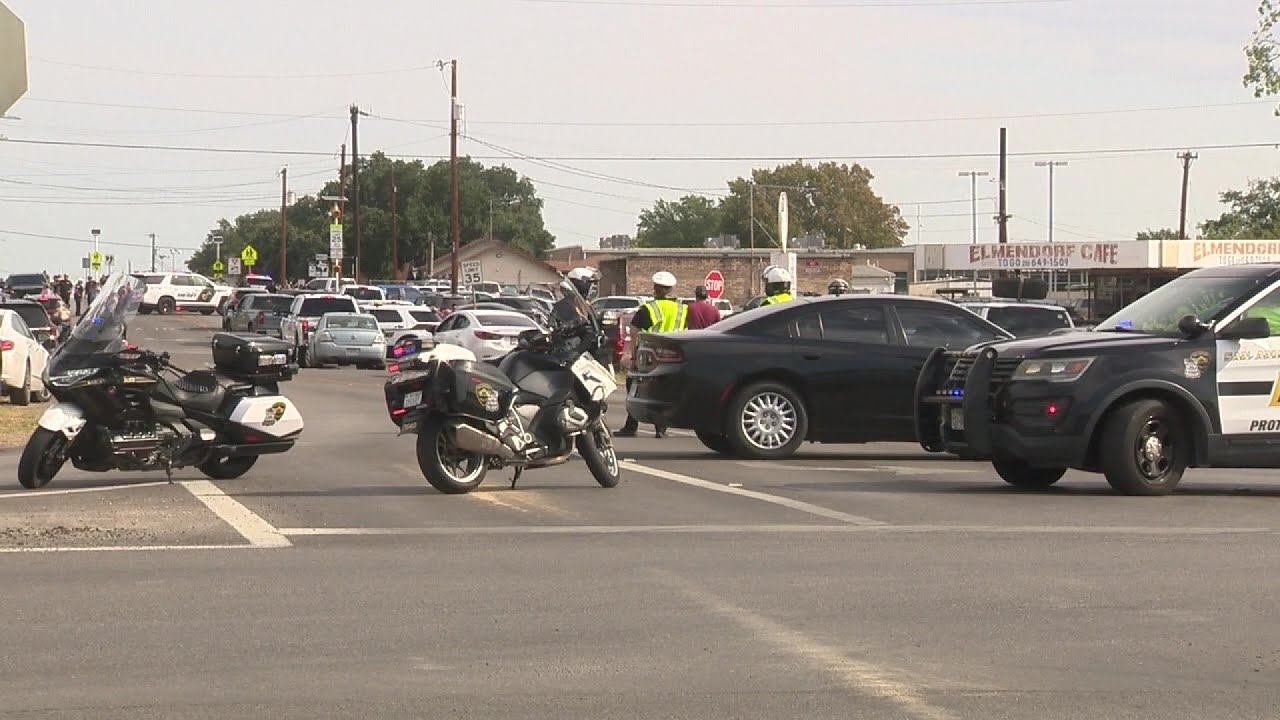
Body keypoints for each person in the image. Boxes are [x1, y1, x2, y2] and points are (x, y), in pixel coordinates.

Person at [617, 270, 687, 438]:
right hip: (672, 356)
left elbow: (634, 332)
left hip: (649, 355)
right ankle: (660, 429)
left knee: (634, 388)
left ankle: (631, 427)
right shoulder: (682, 309)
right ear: (671, 289)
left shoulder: (649, 309)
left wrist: (632, 355)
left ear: (655, 288)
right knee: (663, 391)